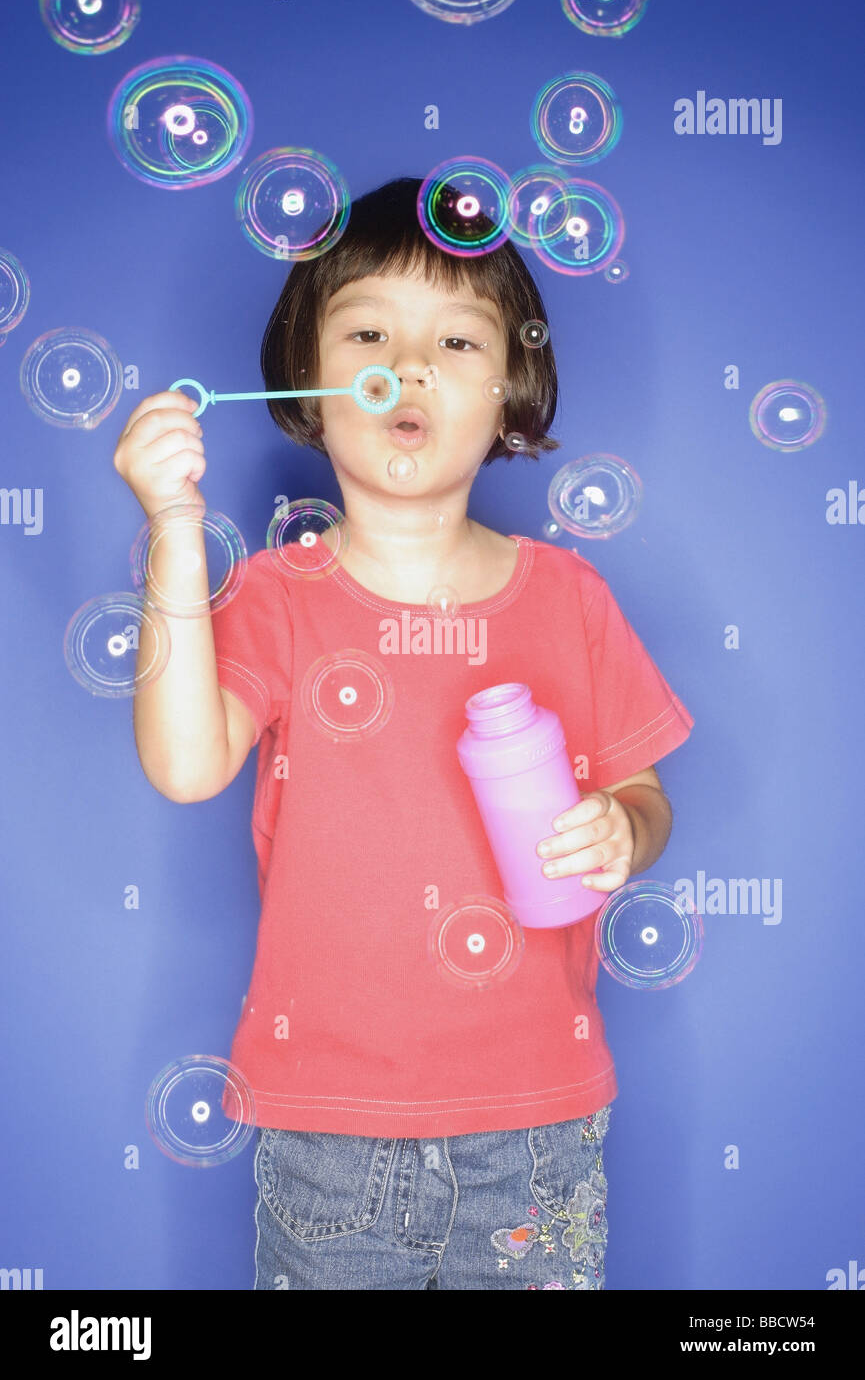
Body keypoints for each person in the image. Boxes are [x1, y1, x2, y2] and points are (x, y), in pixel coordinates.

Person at [113, 176, 694, 1290]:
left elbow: (650, 796)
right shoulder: (277, 599)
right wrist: (175, 528)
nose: (411, 364)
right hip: (325, 1128)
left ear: (512, 386)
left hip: (539, 1134)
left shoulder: (570, 597)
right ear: (309, 379)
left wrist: (626, 826)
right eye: (372, 330)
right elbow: (186, 767)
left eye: (459, 339)